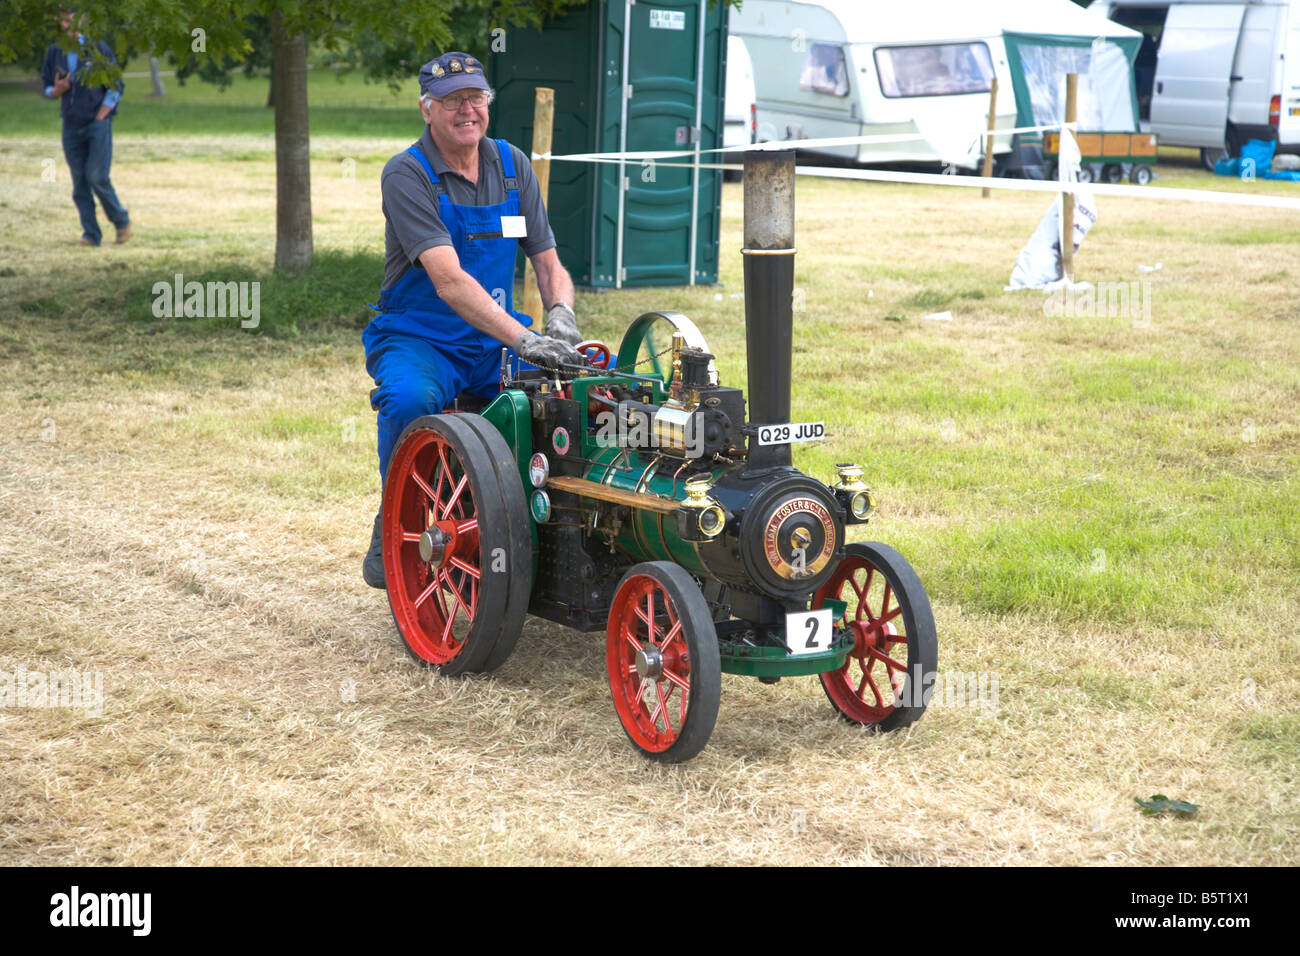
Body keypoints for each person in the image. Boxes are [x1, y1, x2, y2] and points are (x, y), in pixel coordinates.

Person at [361, 51, 585, 589]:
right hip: (420, 338)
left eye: (476, 98)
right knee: (410, 401)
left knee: (592, 386)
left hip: (495, 340)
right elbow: (450, 282)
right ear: (427, 109)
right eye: (452, 100)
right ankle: (394, 520)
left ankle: (572, 524)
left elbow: (549, 264)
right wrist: (528, 339)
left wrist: (562, 317)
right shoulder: (407, 173)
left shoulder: (512, 165)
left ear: (488, 102)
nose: (467, 110)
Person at [41, 9, 131, 247]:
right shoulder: (54, 51)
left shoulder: (97, 48)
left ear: (81, 18)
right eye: (62, 16)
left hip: (97, 123)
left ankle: (121, 221)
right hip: (71, 124)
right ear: (57, 20)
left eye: (71, 15)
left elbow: (116, 84)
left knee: (96, 176)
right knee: (80, 183)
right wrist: (56, 91)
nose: (67, 21)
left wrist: (103, 113)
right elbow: (47, 87)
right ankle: (91, 235)